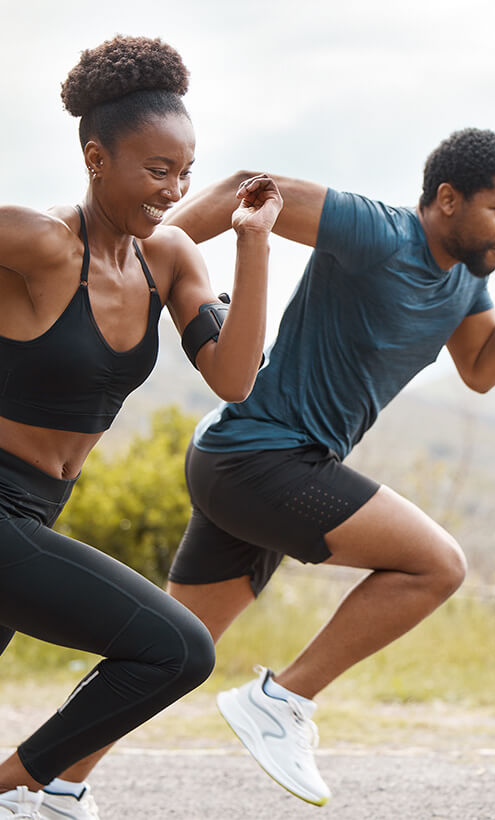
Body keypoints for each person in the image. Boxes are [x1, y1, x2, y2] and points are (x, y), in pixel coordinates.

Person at [162, 127, 495, 806]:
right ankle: (282, 700)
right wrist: (135, 259)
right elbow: (250, 187)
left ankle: (39, 780)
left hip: (253, 465)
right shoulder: (378, 232)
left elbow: (479, 370)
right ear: (447, 200)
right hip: (263, 458)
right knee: (438, 565)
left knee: (165, 655)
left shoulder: (463, 287)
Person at [0, 36, 281, 820]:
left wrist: (254, 244)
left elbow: (235, 376)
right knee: (178, 648)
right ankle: (23, 789)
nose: (175, 188)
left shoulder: (169, 258)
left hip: (33, 514)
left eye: (185, 172)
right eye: (157, 171)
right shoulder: (37, 243)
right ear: (96, 158)